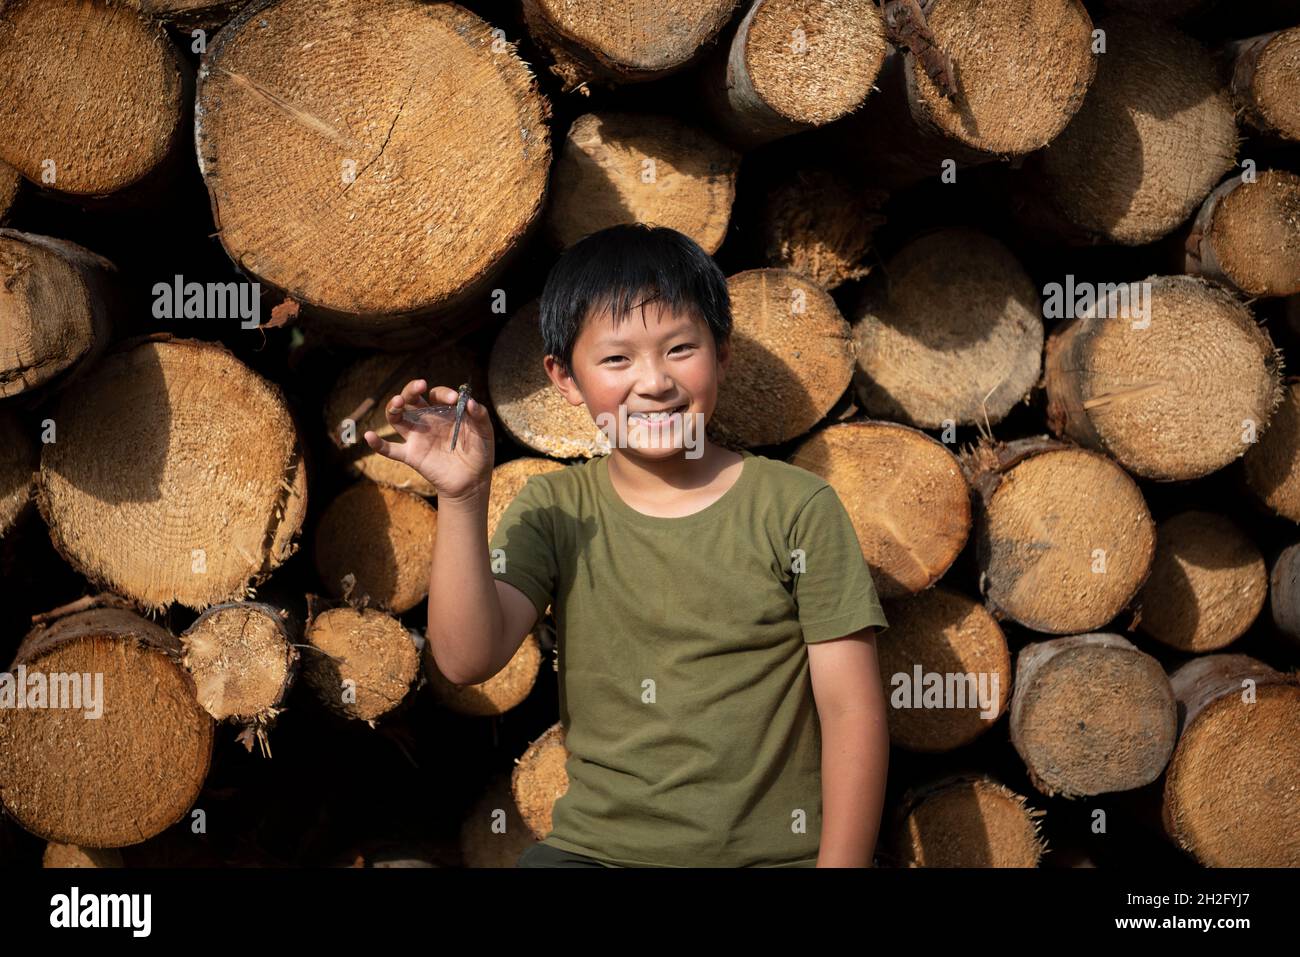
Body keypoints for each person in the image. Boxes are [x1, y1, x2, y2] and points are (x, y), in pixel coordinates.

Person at [364, 223, 891, 868]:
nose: (654, 382)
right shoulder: (557, 509)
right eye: (616, 359)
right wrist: (463, 496)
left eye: (679, 349)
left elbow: (851, 712)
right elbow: (465, 658)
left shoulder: (796, 510)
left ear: (721, 353)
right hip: (596, 856)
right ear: (565, 377)